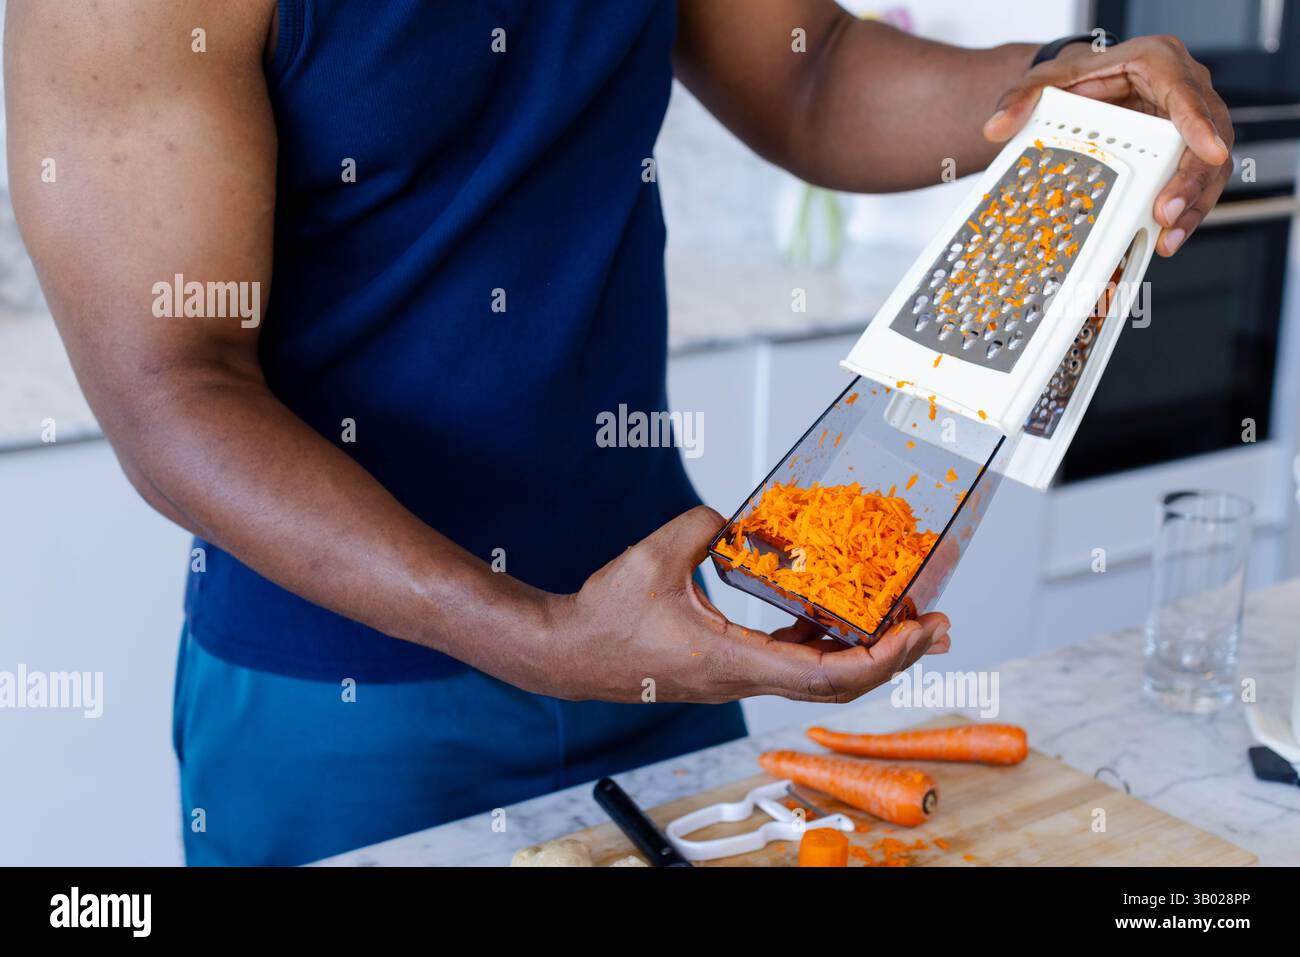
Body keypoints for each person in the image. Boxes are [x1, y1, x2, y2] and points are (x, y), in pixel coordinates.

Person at [5, 0, 1231, 865]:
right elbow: (172, 386)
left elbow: (810, 75)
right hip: (348, 699)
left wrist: (1078, 81)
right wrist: (535, 637)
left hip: (669, 632)